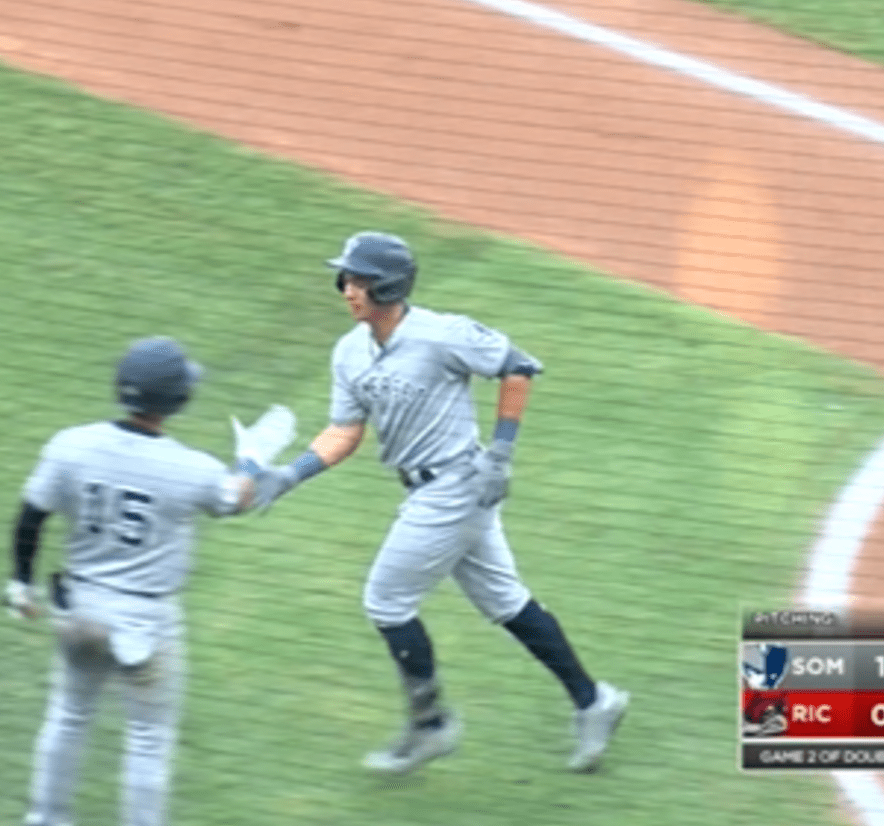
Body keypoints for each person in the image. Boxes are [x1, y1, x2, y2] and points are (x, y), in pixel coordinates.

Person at [251, 232, 630, 775]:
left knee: (385, 601)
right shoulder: (349, 351)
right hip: (434, 489)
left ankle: (431, 727)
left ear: (387, 286)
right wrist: (290, 474)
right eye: (347, 279)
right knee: (507, 603)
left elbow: (518, 367)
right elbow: (344, 431)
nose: (348, 289)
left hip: (455, 486)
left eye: (359, 280)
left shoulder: (440, 334)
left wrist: (501, 453)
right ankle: (595, 702)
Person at [2, 336, 292, 826]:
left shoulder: (72, 445)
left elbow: (30, 517)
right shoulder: (189, 468)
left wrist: (20, 585)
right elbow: (236, 500)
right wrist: (252, 458)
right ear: (177, 400)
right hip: (145, 626)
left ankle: (45, 818)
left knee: (69, 716)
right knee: (148, 740)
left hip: (78, 611)